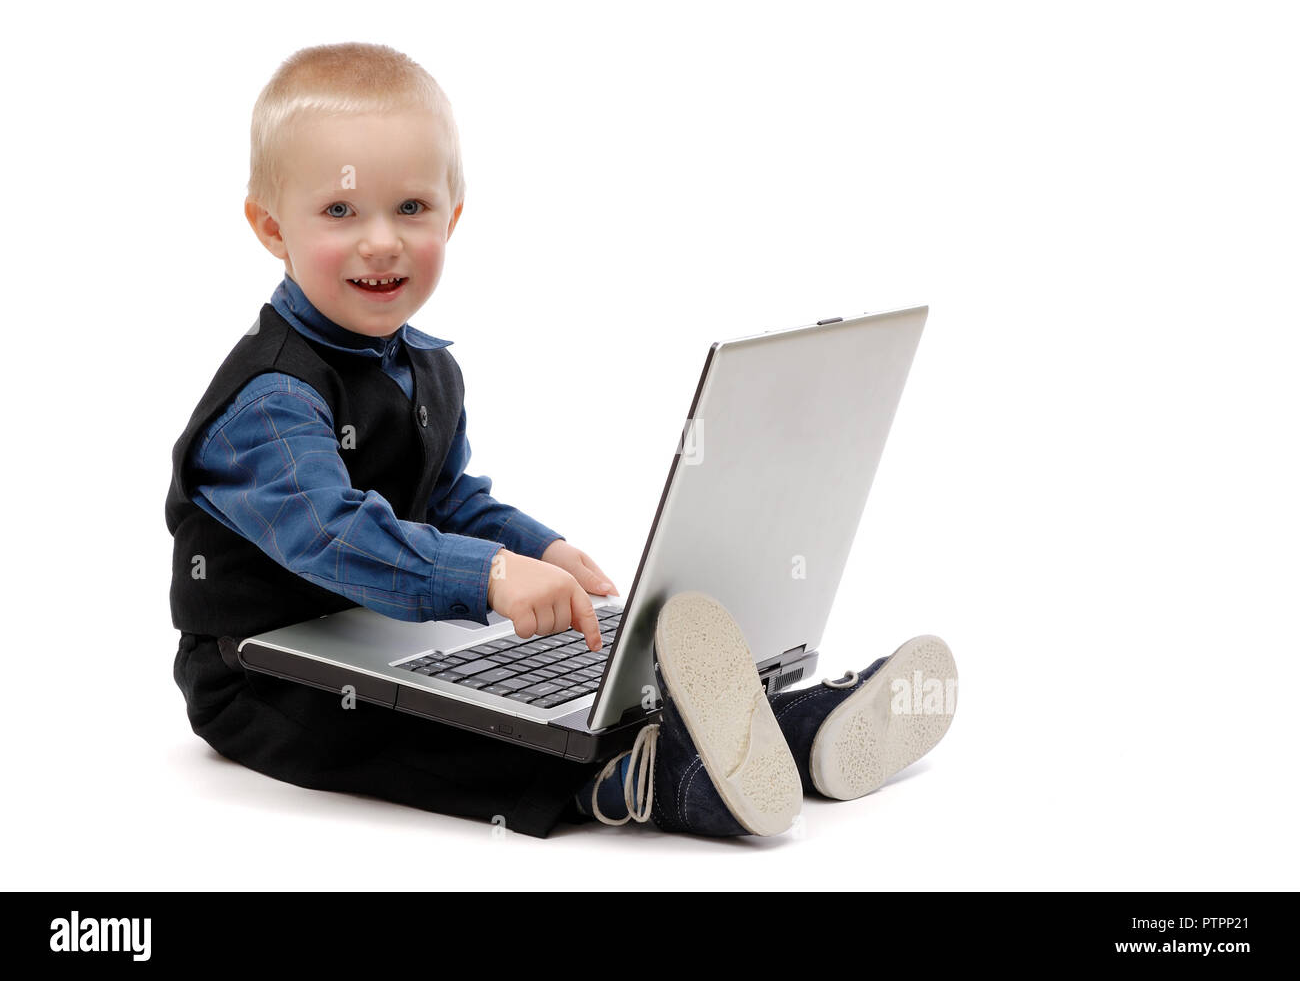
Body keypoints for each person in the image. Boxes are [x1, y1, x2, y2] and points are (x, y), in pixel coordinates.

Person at [166, 42, 958, 841]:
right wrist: (490, 576)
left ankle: (796, 730)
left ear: (453, 215)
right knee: (450, 735)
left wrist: (533, 547)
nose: (382, 242)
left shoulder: (428, 368)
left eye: (411, 208)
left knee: (581, 680)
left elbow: (445, 498)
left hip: (389, 636)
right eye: (340, 212)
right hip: (266, 676)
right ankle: (651, 781)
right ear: (271, 227)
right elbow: (332, 534)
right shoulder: (270, 401)